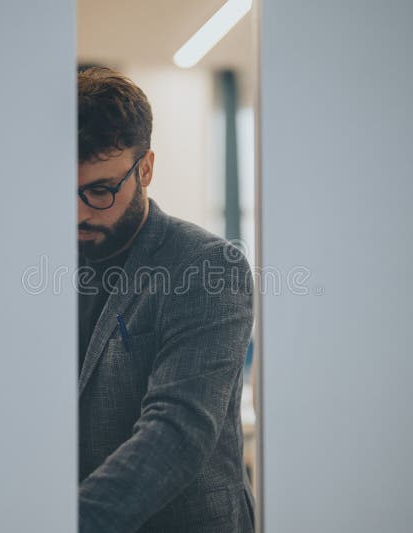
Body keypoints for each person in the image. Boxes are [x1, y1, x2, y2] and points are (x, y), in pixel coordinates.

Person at [77, 66, 255, 533]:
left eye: (100, 190)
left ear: (147, 168)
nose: (77, 212)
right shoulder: (44, 263)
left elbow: (176, 432)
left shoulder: (208, 267)